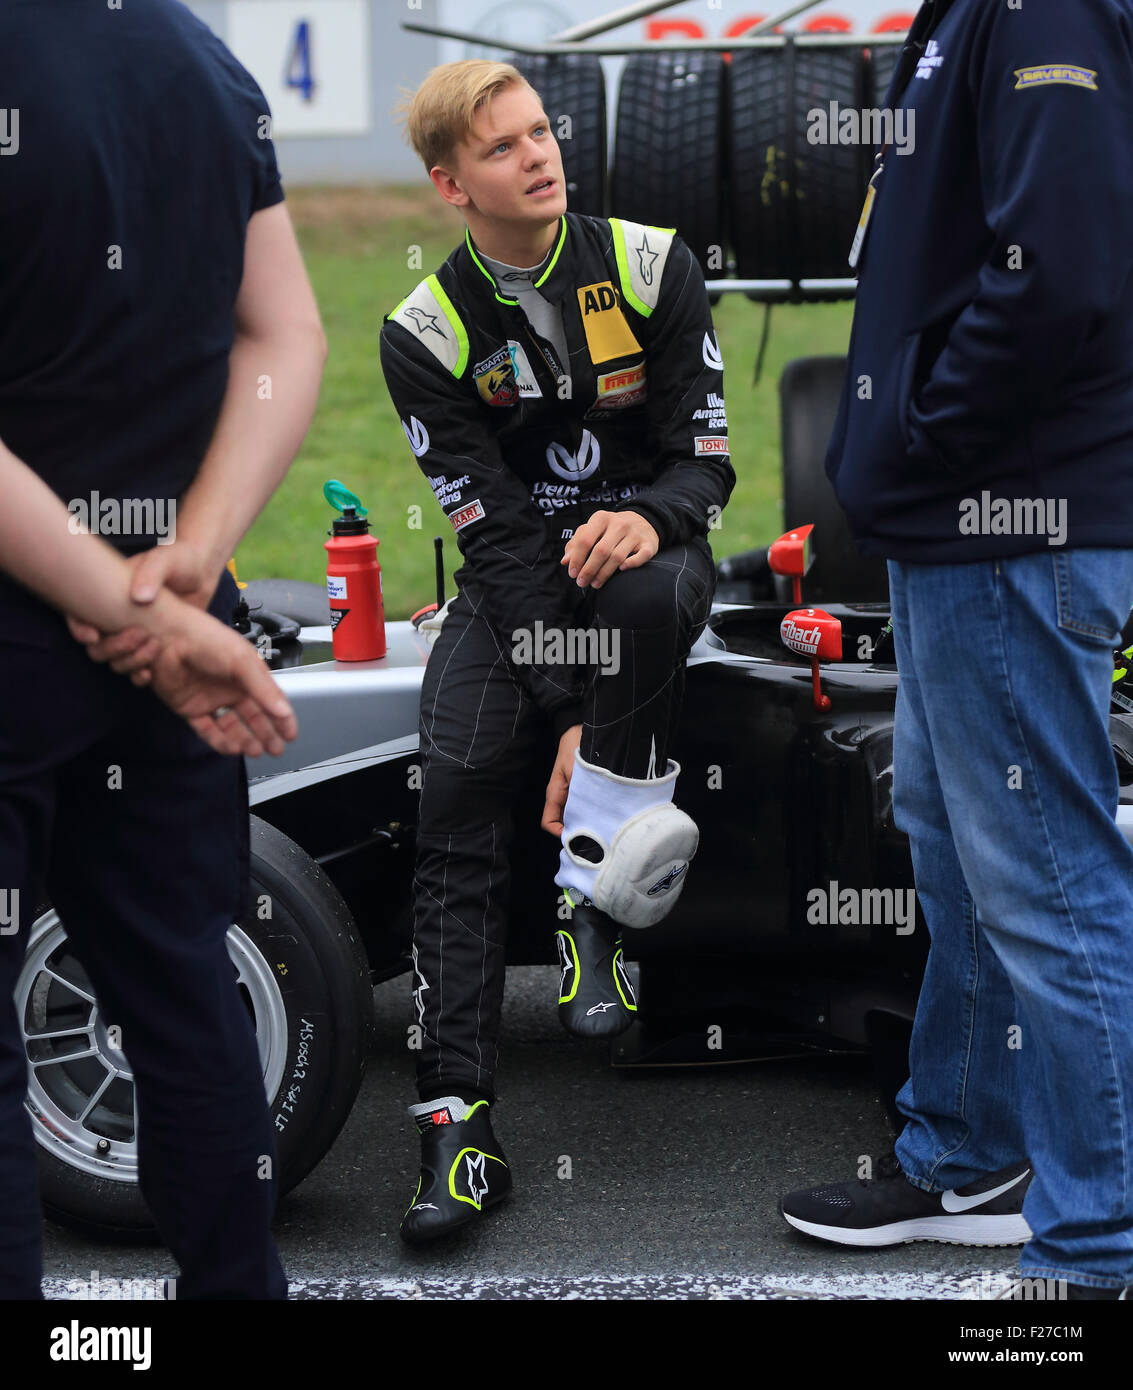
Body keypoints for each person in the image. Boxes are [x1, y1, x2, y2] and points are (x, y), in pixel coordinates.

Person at [779, 0, 1133, 1299]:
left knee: (1047, 876)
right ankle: (971, 1150)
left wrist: (930, 436)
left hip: (1009, 514)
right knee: (948, 828)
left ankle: (1093, 1249)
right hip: (961, 520)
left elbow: (1066, 263)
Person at [0, 0, 326, 1299]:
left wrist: (134, 600)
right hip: (177, 629)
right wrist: (190, 561)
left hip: (53, 629)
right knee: (188, 1011)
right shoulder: (203, 58)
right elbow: (285, 333)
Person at [379, 60, 734, 1242]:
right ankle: (455, 1127)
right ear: (450, 184)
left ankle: (596, 902)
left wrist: (650, 514)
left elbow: (707, 462)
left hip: (652, 557)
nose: (538, 155)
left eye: (541, 133)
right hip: (518, 575)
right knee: (459, 767)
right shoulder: (421, 333)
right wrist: (570, 710)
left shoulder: (649, 263)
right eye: (503, 147)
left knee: (639, 598)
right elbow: (495, 537)